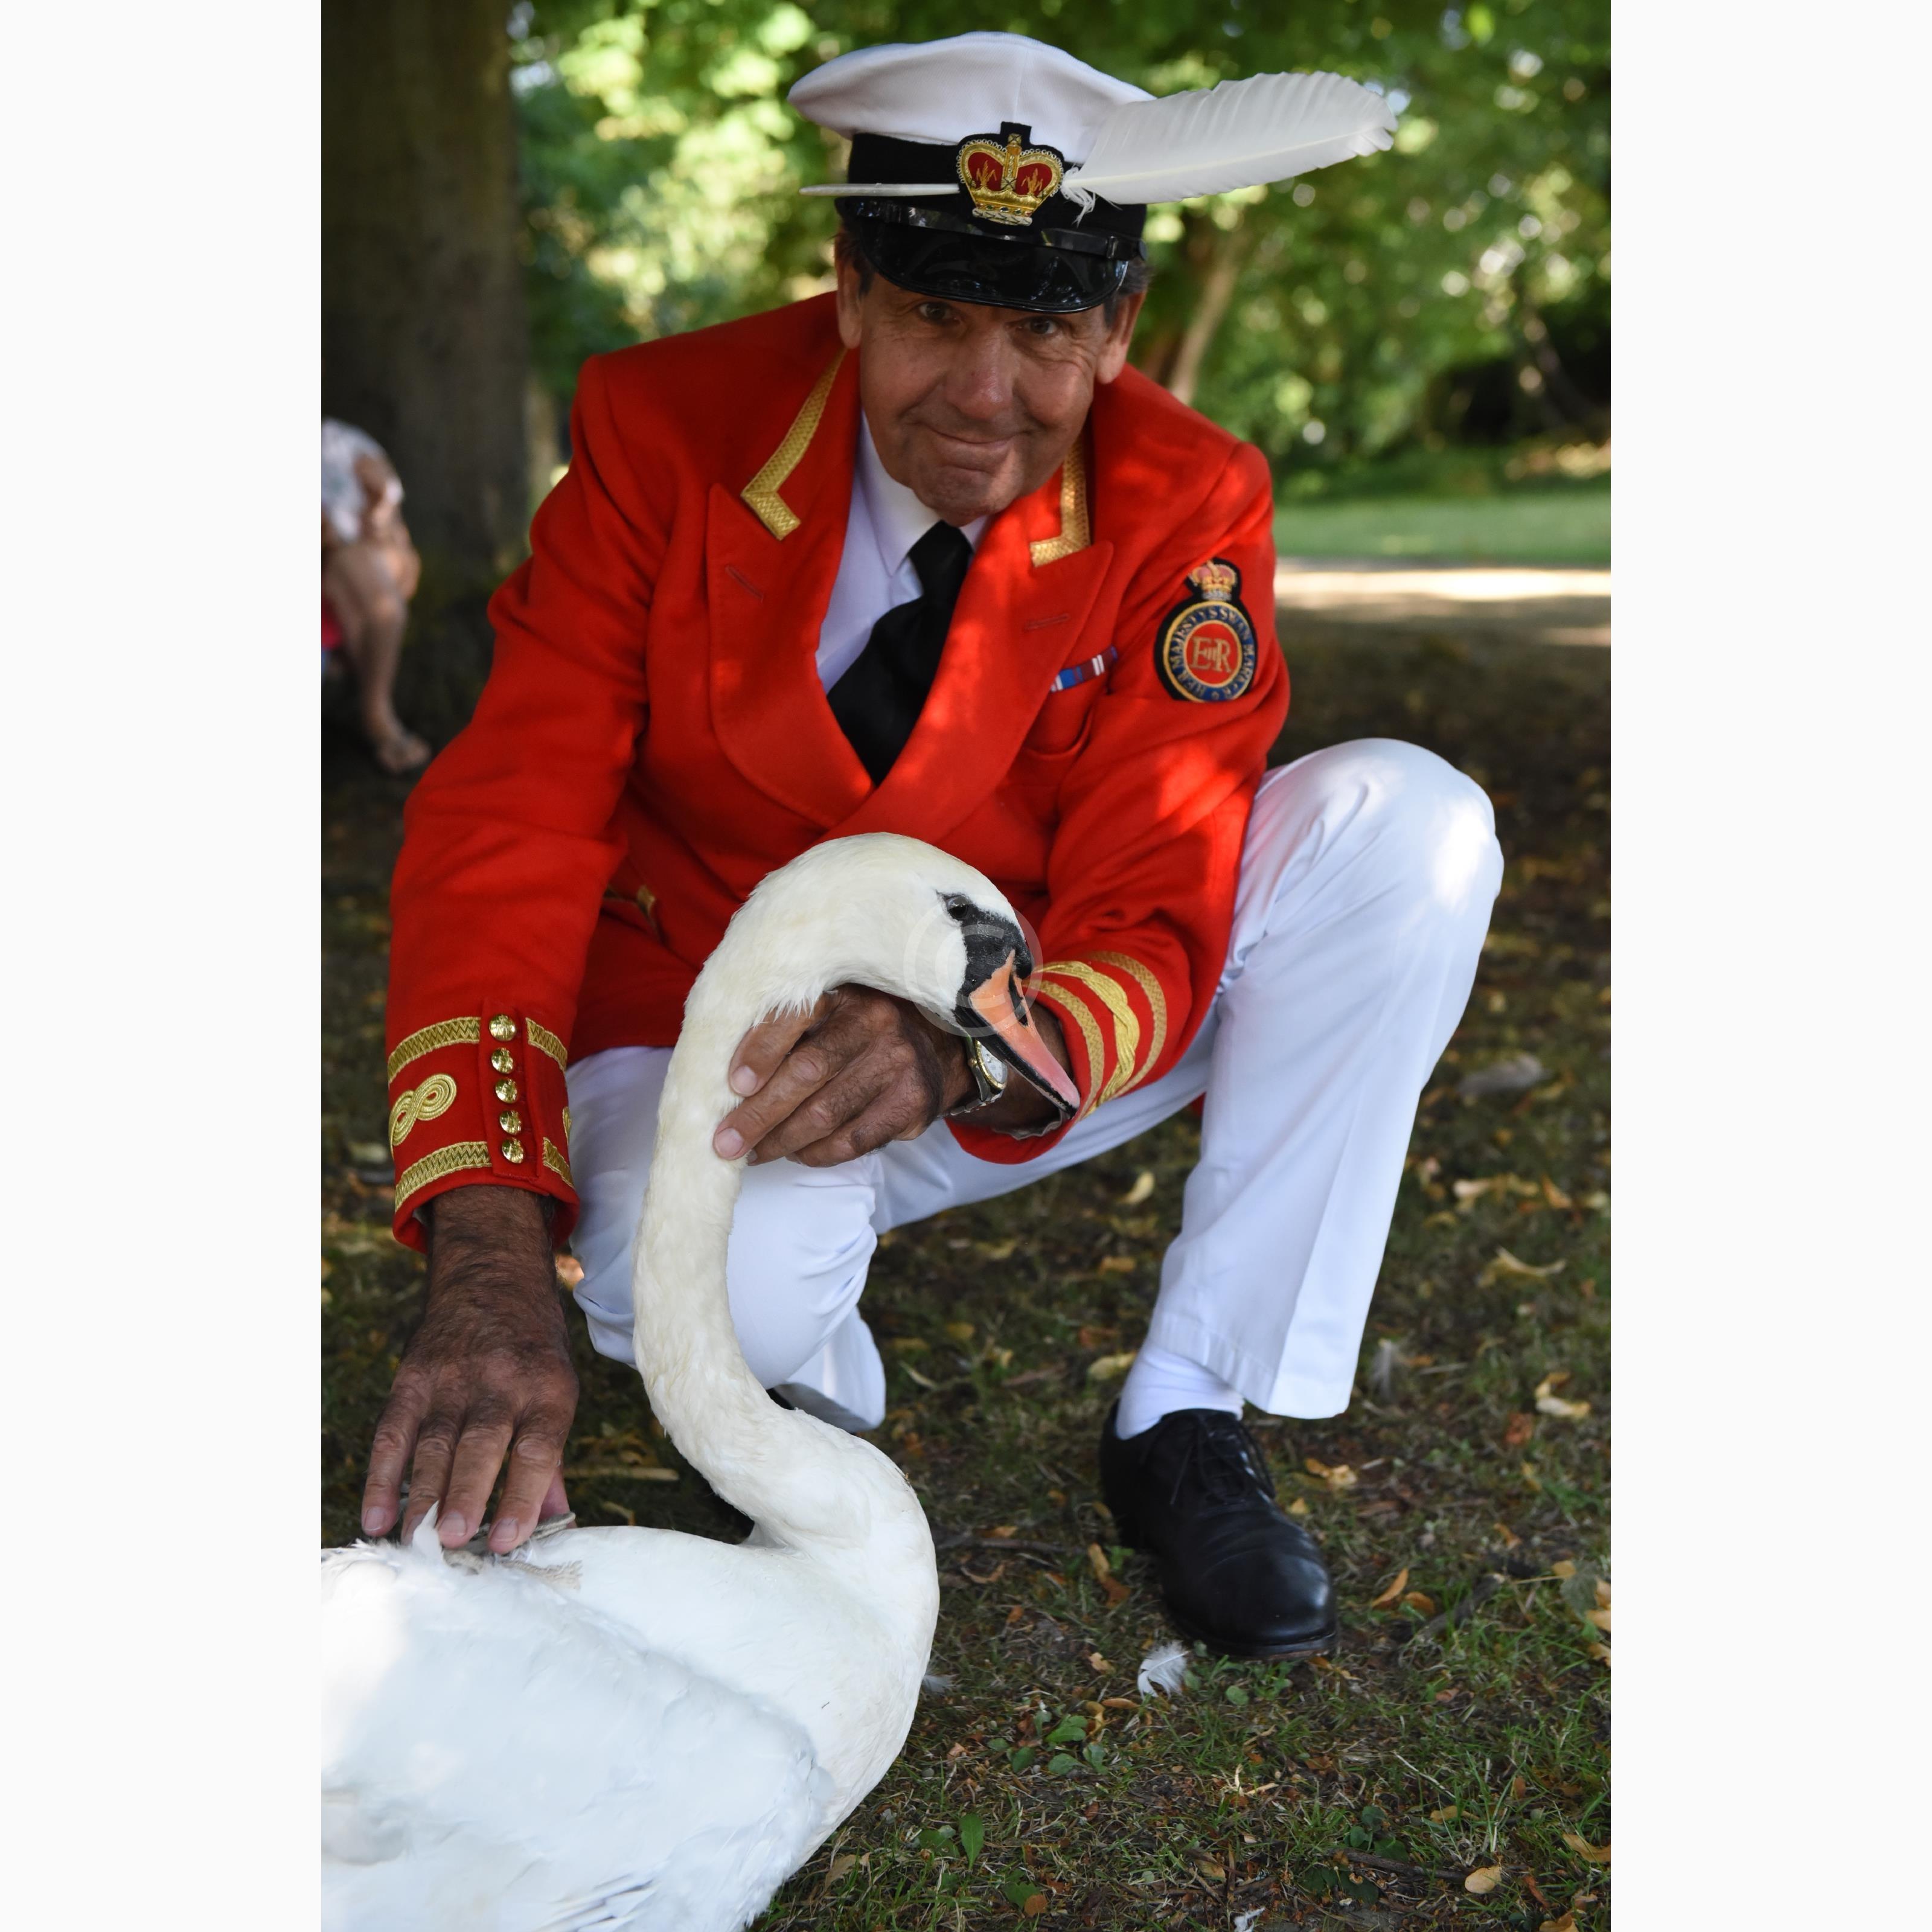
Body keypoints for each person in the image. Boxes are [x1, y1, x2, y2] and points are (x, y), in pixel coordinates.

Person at [360, 32, 1503, 1661]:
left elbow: (1160, 902)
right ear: (846, 287)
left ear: (1115, 328)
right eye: (933, 313)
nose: (985, 393)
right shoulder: (661, 426)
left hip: (1001, 1029)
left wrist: (960, 1047)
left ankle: (1189, 1401)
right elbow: (509, 820)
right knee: (725, 1323)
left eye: (1046, 327)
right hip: (698, 1009)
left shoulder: (1189, 495)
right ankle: (806, 1342)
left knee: (1416, 832)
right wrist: (486, 1242)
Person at [322, 417, 430, 775]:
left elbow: (400, 550)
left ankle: (370, 706)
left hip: (363, 576)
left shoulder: (345, 443)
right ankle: (376, 715)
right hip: (341, 576)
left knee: (379, 597)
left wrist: (380, 512)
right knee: (373, 594)